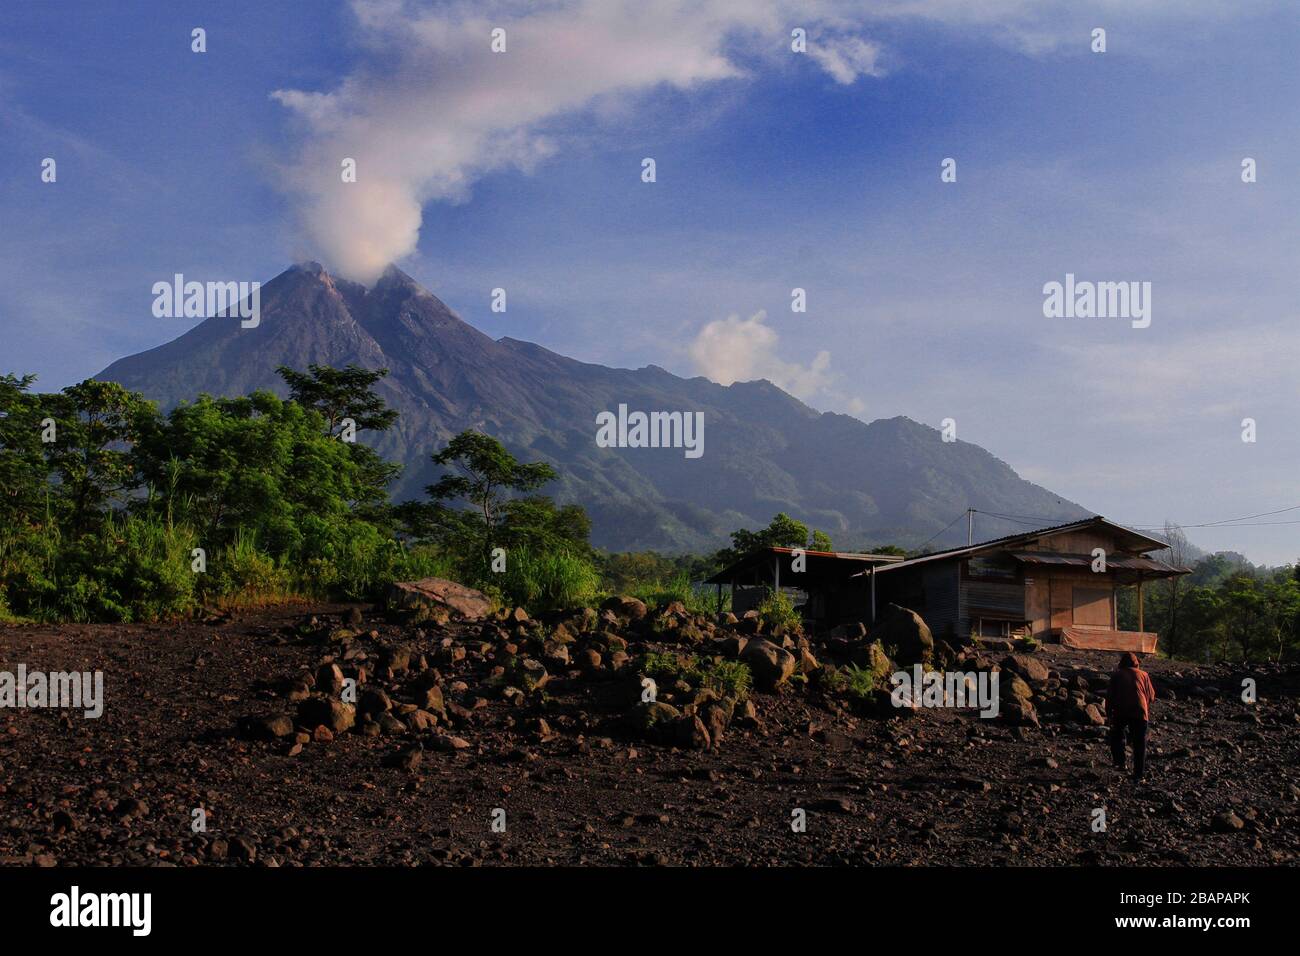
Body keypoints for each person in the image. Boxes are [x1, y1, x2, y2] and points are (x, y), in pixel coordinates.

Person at [1106, 651, 1156, 782]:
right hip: (1140, 712)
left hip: (1121, 710)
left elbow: (1110, 696)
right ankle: (1138, 773)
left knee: (1117, 734)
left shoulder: (1117, 675)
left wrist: (1108, 714)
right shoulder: (1144, 675)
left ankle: (1120, 762)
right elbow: (1151, 696)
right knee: (1140, 743)